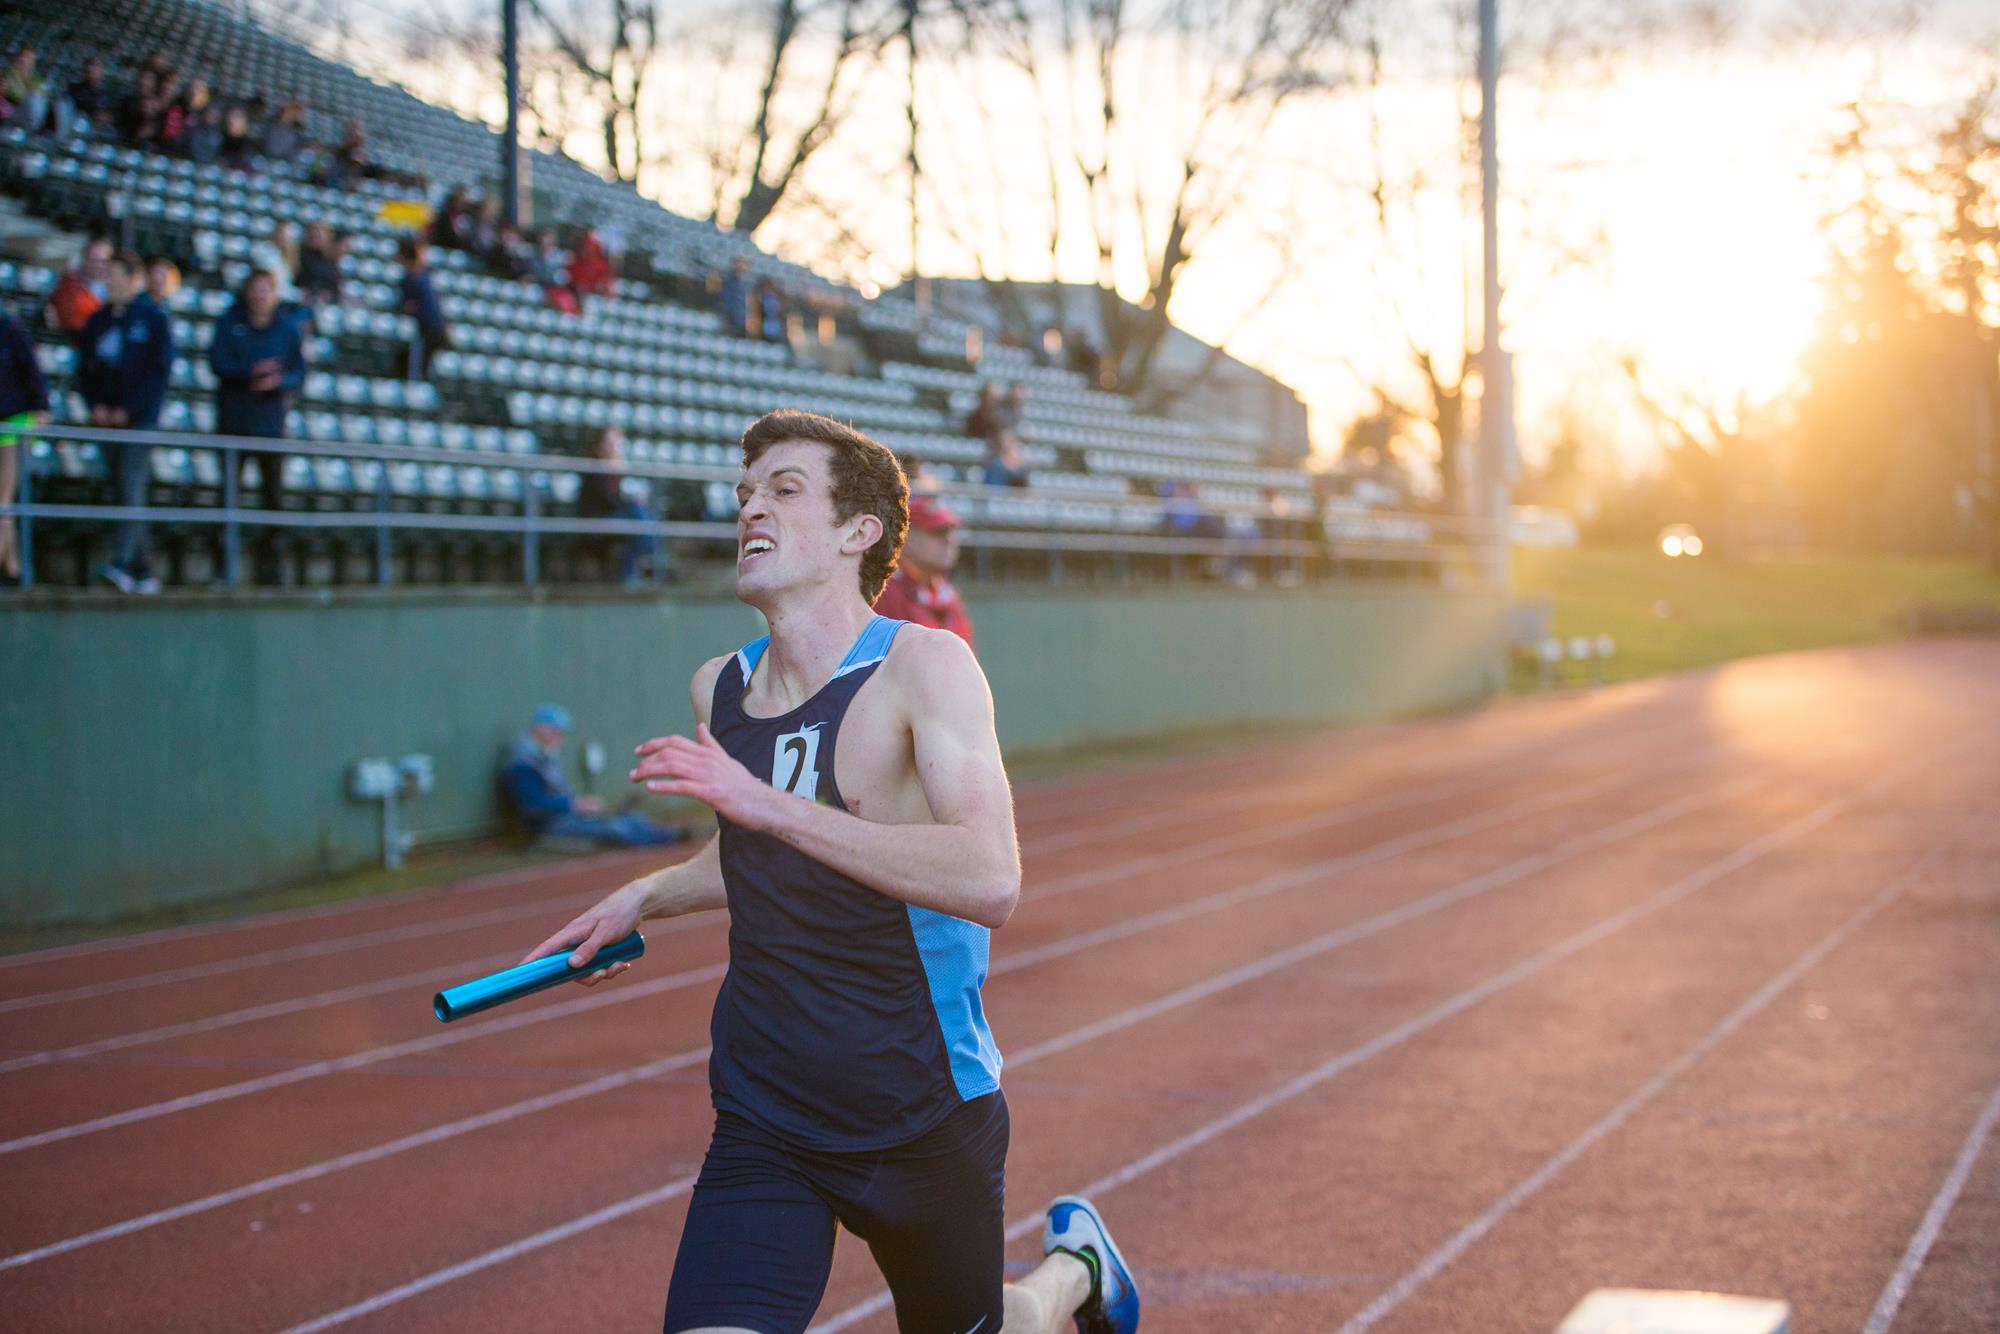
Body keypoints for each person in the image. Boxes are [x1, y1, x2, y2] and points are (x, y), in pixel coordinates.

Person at [518, 409, 1140, 1334]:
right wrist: (646, 893)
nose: (749, 509)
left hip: (924, 1110)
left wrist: (763, 802)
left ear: (861, 532)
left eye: (783, 489)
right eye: (743, 493)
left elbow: (988, 876)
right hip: (769, 1114)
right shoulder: (719, 688)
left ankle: (1073, 1277)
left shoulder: (924, 668)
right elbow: (753, 855)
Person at [77, 252, 174, 594]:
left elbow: (158, 375)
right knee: (126, 489)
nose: (110, 281)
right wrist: (97, 406)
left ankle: (121, 563)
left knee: (131, 485)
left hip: (140, 421)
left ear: (133, 278)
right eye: (107, 274)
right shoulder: (98, 320)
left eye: (116, 274)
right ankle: (145, 570)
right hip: (107, 422)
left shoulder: (152, 319)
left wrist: (130, 410)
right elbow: (85, 371)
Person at [209, 269, 308, 583]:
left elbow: (299, 372)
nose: (260, 295)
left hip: (270, 428)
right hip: (234, 424)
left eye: (267, 289)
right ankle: (222, 566)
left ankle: (272, 568)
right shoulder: (229, 322)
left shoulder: (287, 329)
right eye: (255, 288)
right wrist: (250, 374)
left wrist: (279, 381)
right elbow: (216, 362)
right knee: (227, 498)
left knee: (273, 499)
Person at [499, 704, 685, 847]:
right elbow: (531, 805)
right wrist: (574, 804)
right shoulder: (522, 763)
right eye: (557, 731)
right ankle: (660, 839)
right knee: (615, 827)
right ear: (541, 729)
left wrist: (579, 804)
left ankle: (667, 835)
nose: (560, 737)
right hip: (547, 824)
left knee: (629, 817)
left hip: (565, 816)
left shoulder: (545, 755)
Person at [871, 494, 975, 648]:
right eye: (938, 532)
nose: (949, 541)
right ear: (906, 537)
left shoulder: (944, 589)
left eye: (951, 532)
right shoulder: (884, 590)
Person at [0, 309, 50, 586]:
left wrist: (41, 407)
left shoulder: (10, 327)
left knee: (1, 500)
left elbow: (32, 370)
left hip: (15, 423)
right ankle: (14, 567)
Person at [578, 426, 661, 587]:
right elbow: (607, 501)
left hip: (617, 516)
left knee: (643, 516)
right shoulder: (592, 467)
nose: (615, 446)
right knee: (639, 515)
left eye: (618, 443)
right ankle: (628, 573)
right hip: (599, 518)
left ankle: (636, 570)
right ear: (600, 444)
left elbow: (618, 499)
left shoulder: (616, 468)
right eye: (611, 442)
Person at [397, 236, 449, 379]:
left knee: (422, 365)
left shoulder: (423, 276)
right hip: (422, 328)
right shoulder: (413, 277)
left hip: (430, 327)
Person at [46, 237, 111, 338]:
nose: (98, 266)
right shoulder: (70, 284)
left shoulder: (114, 288)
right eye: (93, 260)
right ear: (85, 260)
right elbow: (62, 317)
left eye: (103, 261)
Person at [2, 47, 49, 135]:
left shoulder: (36, 79)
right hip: (7, 113)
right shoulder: (7, 73)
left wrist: (20, 90)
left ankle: (31, 131)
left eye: (29, 58)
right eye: (23, 57)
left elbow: (41, 95)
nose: (25, 61)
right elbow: (12, 94)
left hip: (23, 113)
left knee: (35, 98)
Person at [296, 223, 345, 306]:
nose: (316, 236)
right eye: (314, 233)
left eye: (320, 234)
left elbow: (334, 288)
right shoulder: (299, 256)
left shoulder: (330, 261)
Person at [260, 99, 305, 165]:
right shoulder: (271, 124)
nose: (290, 115)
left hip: (283, 163)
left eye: (294, 113)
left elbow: (294, 150)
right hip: (264, 159)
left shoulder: (295, 131)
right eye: (289, 111)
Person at [717, 257, 752, 338]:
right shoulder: (728, 280)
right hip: (730, 314)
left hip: (739, 316)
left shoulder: (744, 283)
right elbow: (725, 298)